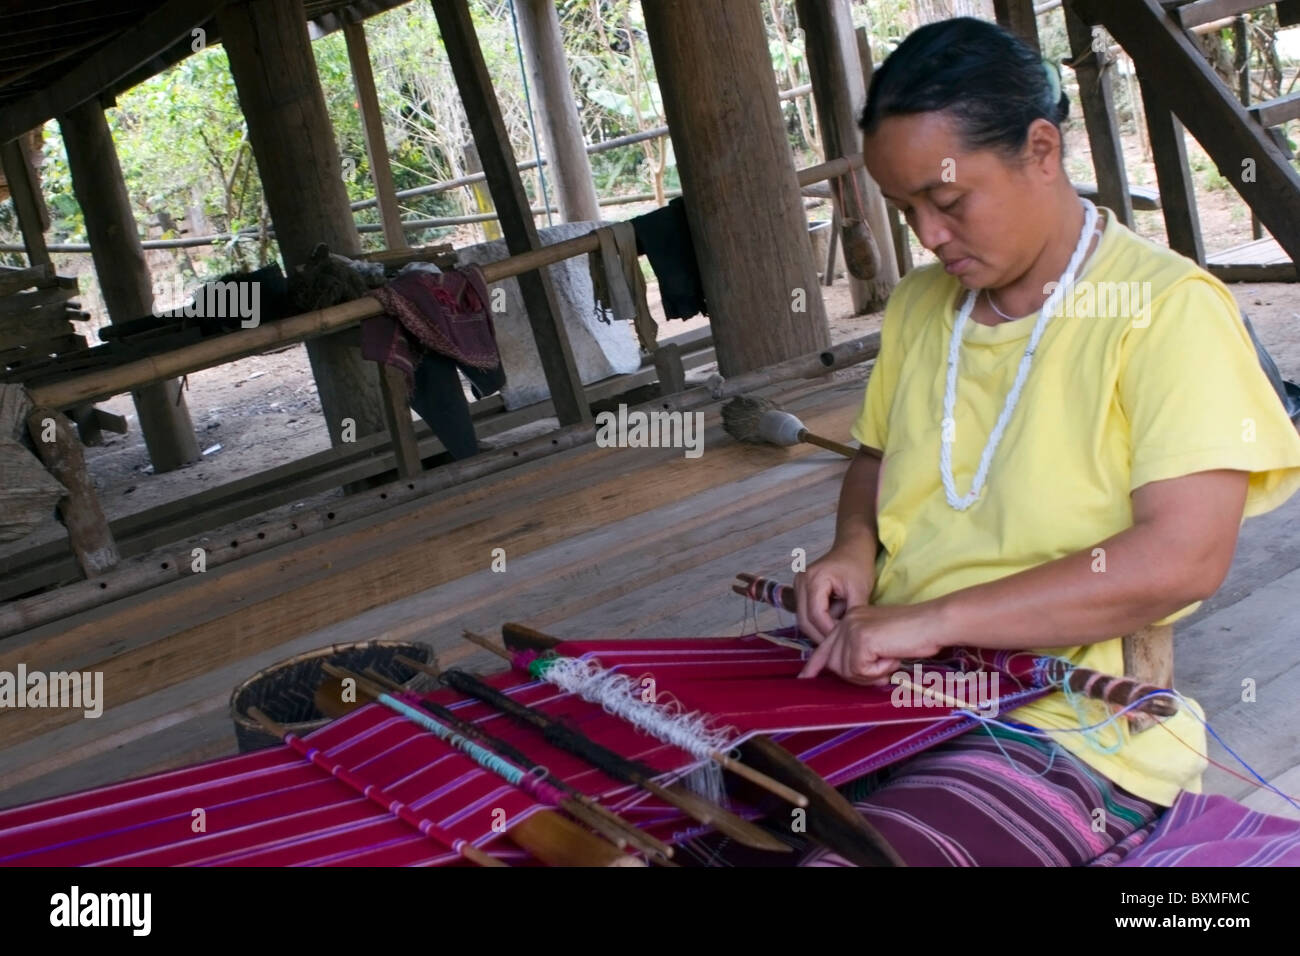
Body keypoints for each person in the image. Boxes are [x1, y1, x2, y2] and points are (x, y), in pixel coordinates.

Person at [789, 17, 1300, 866]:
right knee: (639, 807)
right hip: (888, 685)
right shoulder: (924, 308)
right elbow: (877, 459)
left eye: (948, 202)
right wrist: (852, 547)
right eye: (906, 208)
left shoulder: (1165, 311)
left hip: (1067, 722)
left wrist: (933, 620)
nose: (928, 235)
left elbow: (1181, 558)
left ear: (1041, 148)